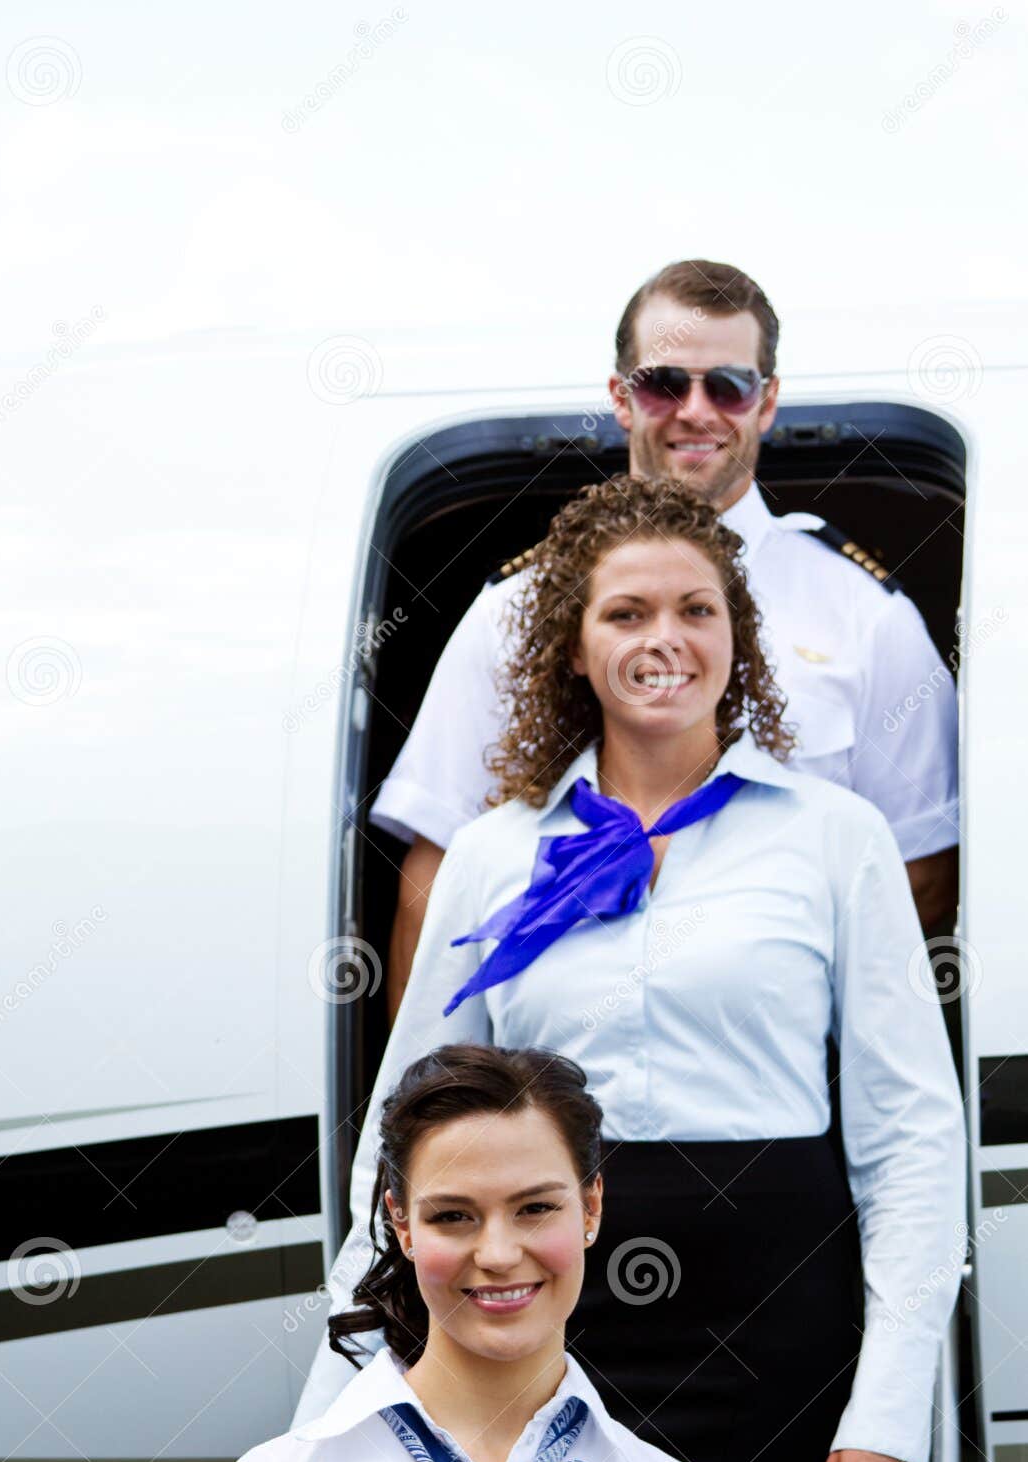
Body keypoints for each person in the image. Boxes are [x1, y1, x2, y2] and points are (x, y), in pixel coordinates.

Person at [292, 476, 966, 1462]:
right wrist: (349, 1378)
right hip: (544, 1314)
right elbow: (410, 1137)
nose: (666, 639)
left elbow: (910, 1138)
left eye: (697, 610)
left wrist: (889, 1409)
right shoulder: (495, 855)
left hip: (784, 1317)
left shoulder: (831, 839)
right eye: (626, 613)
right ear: (571, 645)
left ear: (736, 640)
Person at [375, 259, 958, 1018]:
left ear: (766, 403)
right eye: (662, 383)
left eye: (727, 385)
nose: (694, 410)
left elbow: (923, 874)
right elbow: (435, 878)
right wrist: (439, 1115)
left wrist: (750, 999)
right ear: (620, 398)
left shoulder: (864, 613)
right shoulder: (512, 609)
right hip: (551, 1072)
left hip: (772, 1073)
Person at [200, 1045, 734, 1462]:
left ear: (591, 1208)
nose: (498, 1254)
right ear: (402, 1225)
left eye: (535, 1208)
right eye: (452, 1216)